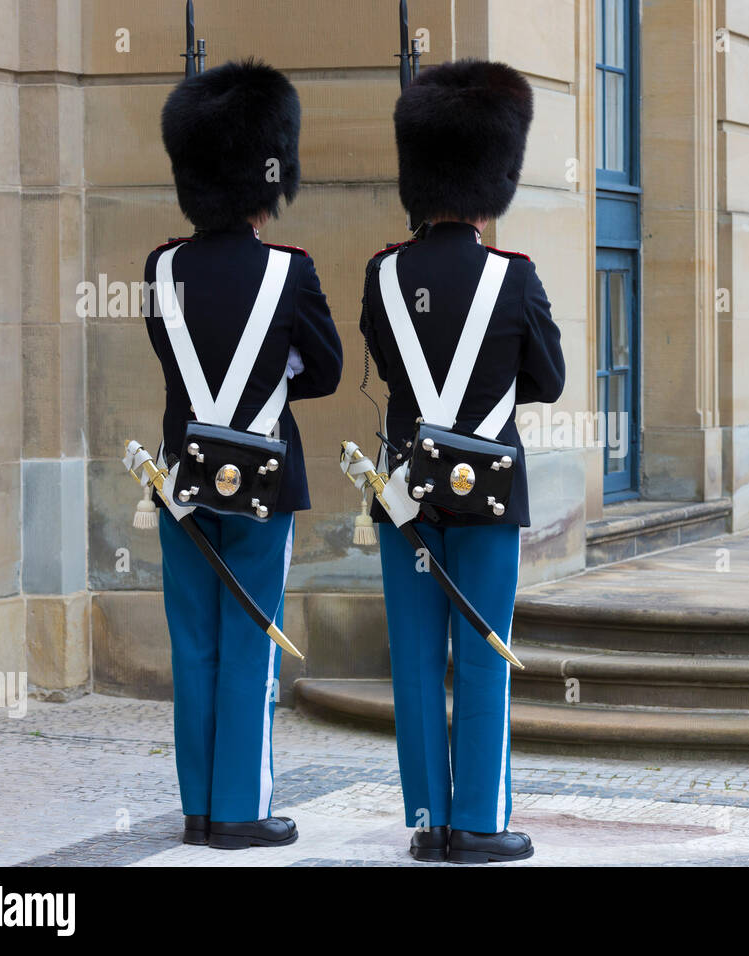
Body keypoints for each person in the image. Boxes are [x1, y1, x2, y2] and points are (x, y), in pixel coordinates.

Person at [359, 59, 565, 863]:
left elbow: (382, 361)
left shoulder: (382, 274)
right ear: (492, 179)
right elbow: (547, 381)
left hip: (406, 494)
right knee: (483, 653)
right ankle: (480, 825)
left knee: (415, 663)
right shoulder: (513, 280)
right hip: (486, 497)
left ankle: (428, 823)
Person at [143, 60, 343, 848]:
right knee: (250, 642)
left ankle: (198, 807)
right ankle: (241, 810)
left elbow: (169, 348)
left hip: (181, 479)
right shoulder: (288, 272)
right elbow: (324, 371)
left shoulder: (161, 268)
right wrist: (272, 371)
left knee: (193, 644)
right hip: (262, 475)